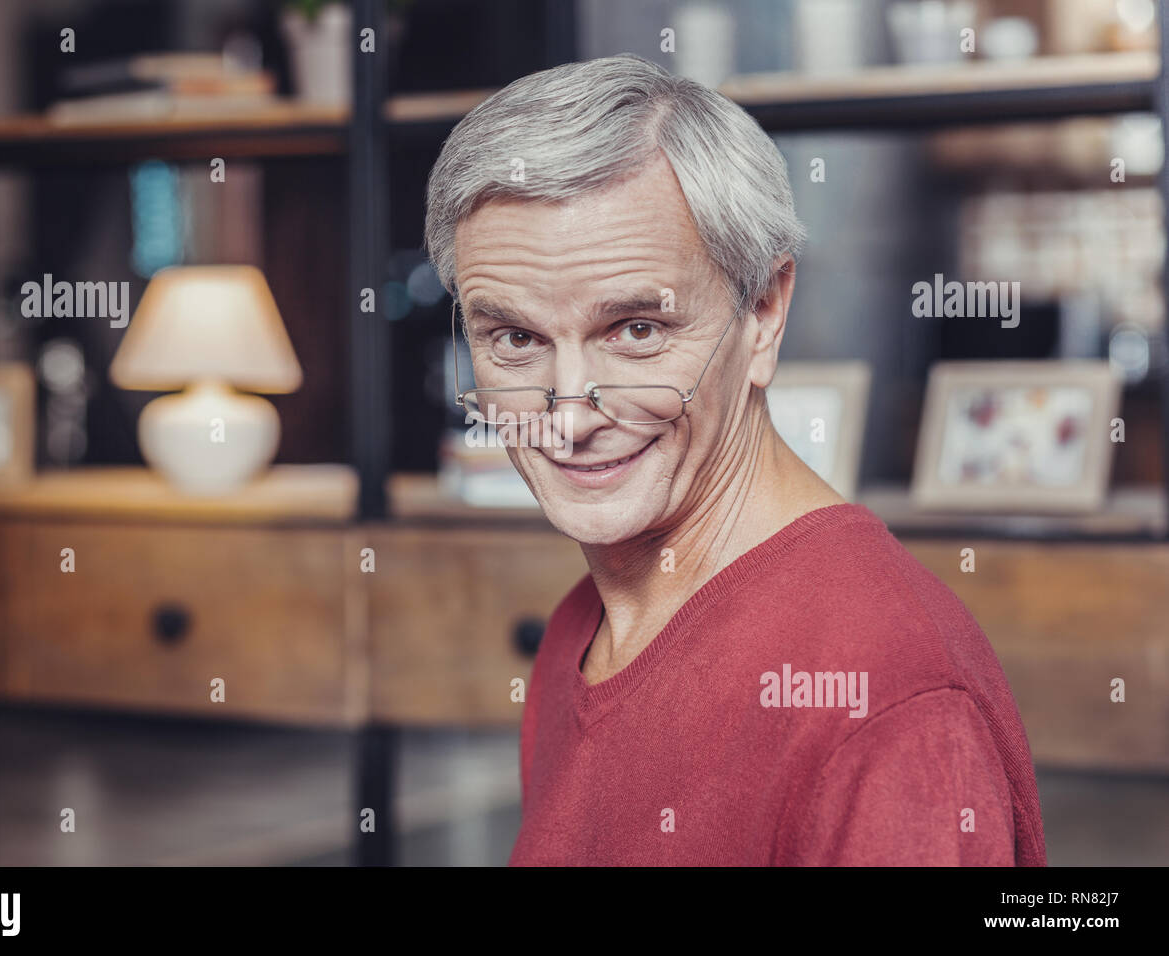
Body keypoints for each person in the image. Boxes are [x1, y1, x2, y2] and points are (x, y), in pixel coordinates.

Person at [423, 53, 1046, 866]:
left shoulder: (885, 694)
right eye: (514, 339)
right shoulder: (583, 623)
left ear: (763, 314)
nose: (567, 416)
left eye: (637, 331)